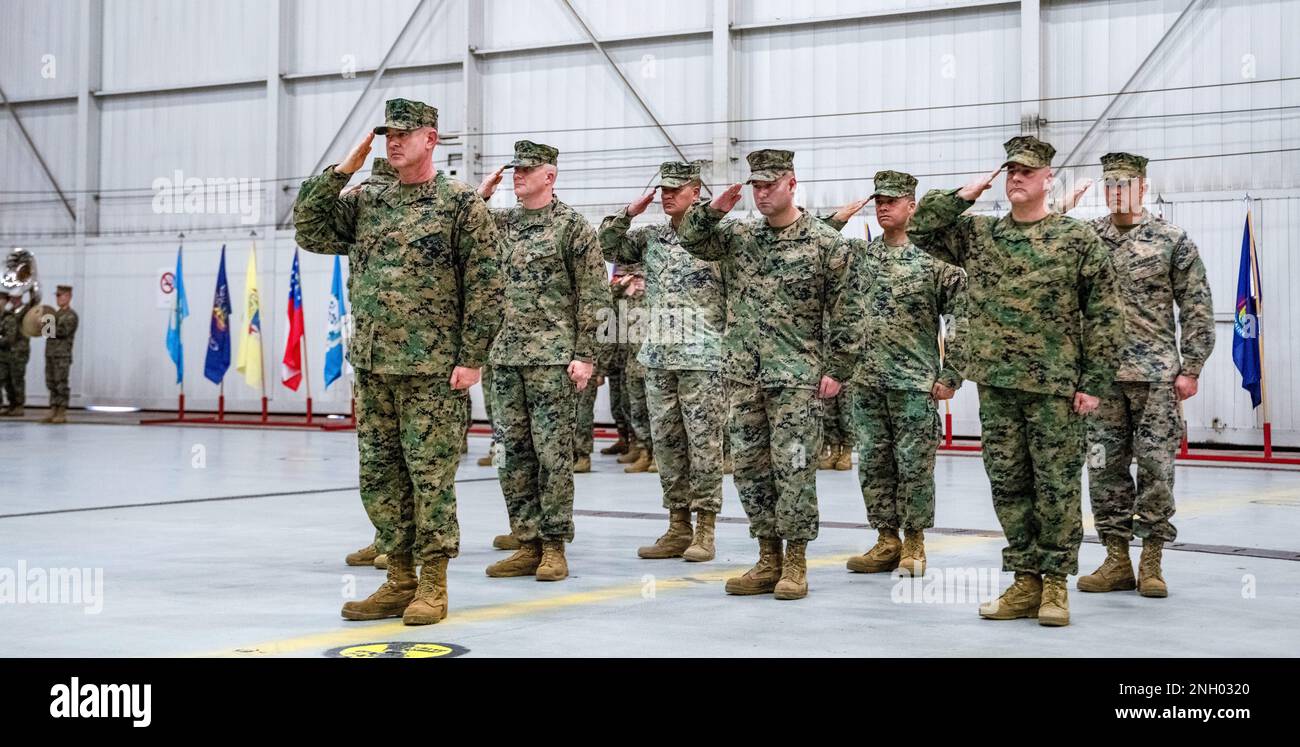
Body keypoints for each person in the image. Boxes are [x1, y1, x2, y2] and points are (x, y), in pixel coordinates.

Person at [294, 98, 503, 625]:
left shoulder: (459, 204)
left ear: (430, 139)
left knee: (429, 477)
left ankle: (433, 584)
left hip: (433, 370)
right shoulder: (368, 201)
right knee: (381, 477)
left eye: (405, 134)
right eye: (388, 133)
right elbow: (308, 226)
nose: (394, 142)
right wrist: (346, 166)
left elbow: (487, 285)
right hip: (374, 365)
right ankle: (398, 579)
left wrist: (473, 357)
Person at [908, 136, 1122, 626]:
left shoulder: (1075, 240)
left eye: (1027, 171)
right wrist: (964, 195)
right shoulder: (980, 235)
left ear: (1049, 178)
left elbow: (1106, 315)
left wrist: (1093, 381)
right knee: (1008, 485)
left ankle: (1054, 586)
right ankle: (1024, 580)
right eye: (1010, 171)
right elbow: (920, 229)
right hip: (998, 386)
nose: (1017, 178)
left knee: (1056, 486)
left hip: (1055, 389)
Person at [678, 149, 856, 600]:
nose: (760, 194)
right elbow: (691, 240)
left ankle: (795, 562)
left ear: (792, 184)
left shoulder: (826, 243)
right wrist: (714, 209)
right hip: (743, 375)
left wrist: (838, 369)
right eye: (755, 186)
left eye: (769, 185)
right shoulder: (740, 237)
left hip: (796, 378)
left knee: (794, 469)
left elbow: (851, 314)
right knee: (751, 471)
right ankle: (767, 557)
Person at [1076, 152, 1215, 599]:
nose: (1117, 192)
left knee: (1157, 468)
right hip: (1100, 379)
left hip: (1156, 377)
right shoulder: (1086, 239)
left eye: (1125, 184)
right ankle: (1116, 559)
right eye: (1110, 184)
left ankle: (1152, 559)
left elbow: (1196, 306)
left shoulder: (1171, 240)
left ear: (1142, 187)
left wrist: (1191, 367)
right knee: (1103, 468)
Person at [476, 141, 608, 582]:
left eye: (528, 170)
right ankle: (526, 541)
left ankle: (554, 546)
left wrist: (586, 355)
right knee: (511, 455)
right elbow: (463, 228)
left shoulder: (573, 227)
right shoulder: (503, 223)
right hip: (505, 358)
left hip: (553, 360)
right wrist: (482, 194)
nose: (519, 175)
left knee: (553, 455)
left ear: (549, 176)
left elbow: (595, 296)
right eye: (516, 169)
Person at [599, 160, 726, 562]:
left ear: (696, 191)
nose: (668, 195)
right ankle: (677, 526)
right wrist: (628, 213)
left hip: (702, 357)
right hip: (658, 357)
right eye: (664, 189)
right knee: (668, 445)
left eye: (677, 188)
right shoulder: (651, 237)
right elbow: (605, 246)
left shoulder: (717, 239)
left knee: (703, 445)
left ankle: (705, 529)